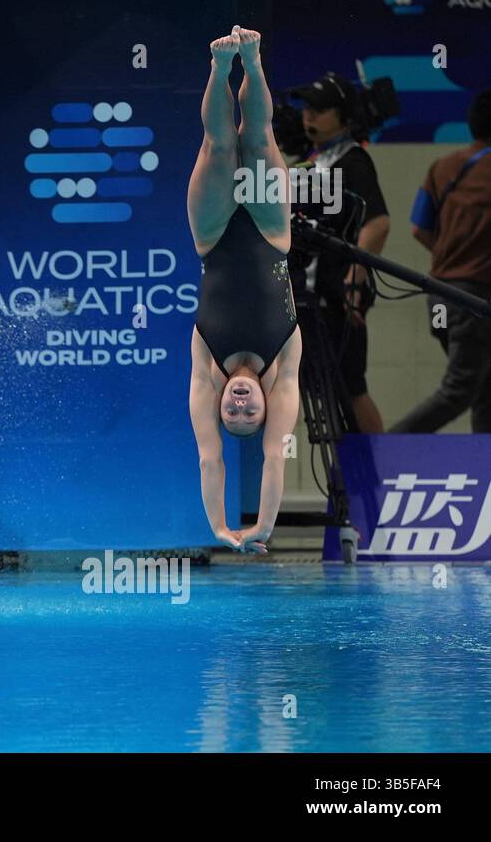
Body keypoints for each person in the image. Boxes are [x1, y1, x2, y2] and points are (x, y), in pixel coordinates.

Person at [188, 27, 303, 553]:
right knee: (257, 139)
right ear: (262, 405)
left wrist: (218, 527)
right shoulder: (284, 365)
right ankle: (253, 62)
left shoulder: (205, 371)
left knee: (218, 143)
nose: (237, 406)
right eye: (247, 414)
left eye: (230, 414)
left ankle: (218, 67)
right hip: (272, 233)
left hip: (211, 236)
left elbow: (210, 459)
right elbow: (277, 456)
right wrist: (263, 528)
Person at [294, 72, 390, 432]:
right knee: (322, 392)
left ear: (342, 115)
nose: (309, 115)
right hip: (308, 298)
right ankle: (344, 483)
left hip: (338, 300)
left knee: (351, 389)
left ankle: (375, 480)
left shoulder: (353, 162)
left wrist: (355, 278)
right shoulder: (313, 164)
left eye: (320, 110)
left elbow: (378, 222)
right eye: (307, 108)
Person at [391, 88, 491, 433]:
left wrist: (454, 261)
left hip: (439, 297)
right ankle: (392, 451)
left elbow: (419, 228)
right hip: (475, 300)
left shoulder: (443, 167)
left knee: (484, 389)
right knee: (460, 391)